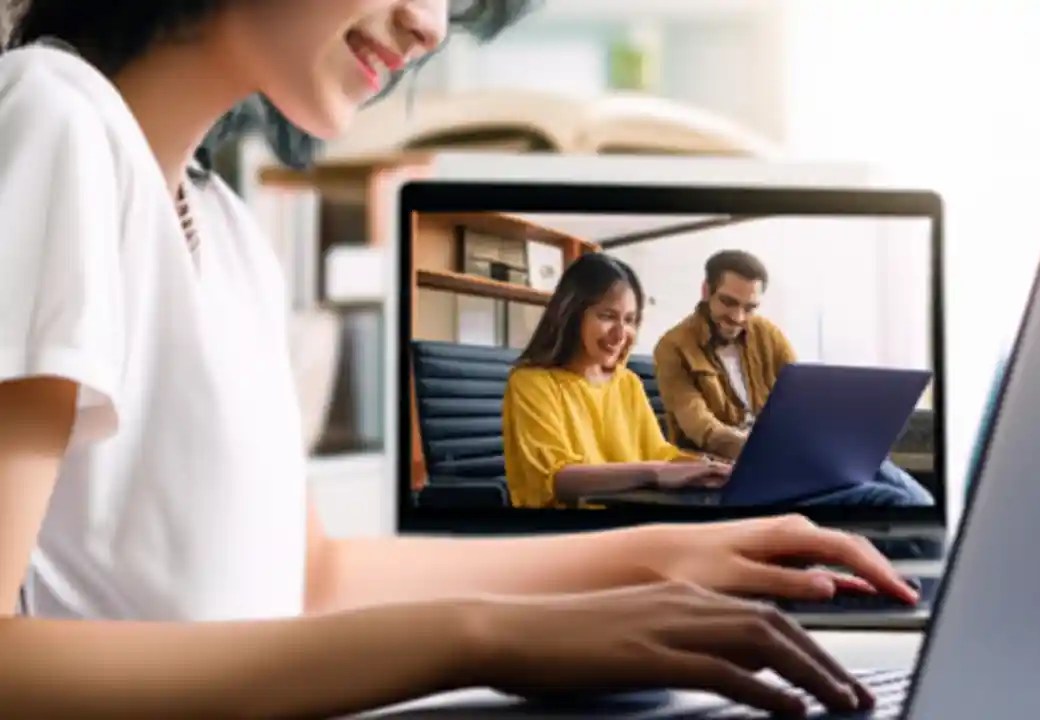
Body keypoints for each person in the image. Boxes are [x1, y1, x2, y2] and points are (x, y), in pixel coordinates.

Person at [0, 2, 917, 717]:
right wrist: (484, 639)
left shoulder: (228, 230)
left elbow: (313, 579)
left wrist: (675, 555)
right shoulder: (56, 115)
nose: (431, 24)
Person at [654, 250, 934, 506]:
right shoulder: (673, 347)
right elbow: (702, 429)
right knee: (891, 500)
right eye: (728, 303)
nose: (738, 317)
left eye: (749, 308)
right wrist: (766, 450)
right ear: (706, 291)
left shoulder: (767, 334)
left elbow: (802, 397)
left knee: (902, 484)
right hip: (736, 474)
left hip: (791, 459)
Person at [503, 253, 732, 509]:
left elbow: (657, 452)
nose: (621, 334)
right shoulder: (530, 382)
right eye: (607, 316)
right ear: (572, 315)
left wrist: (708, 468)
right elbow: (556, 479)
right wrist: (653, 472)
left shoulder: (627, 382)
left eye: (630, 320)